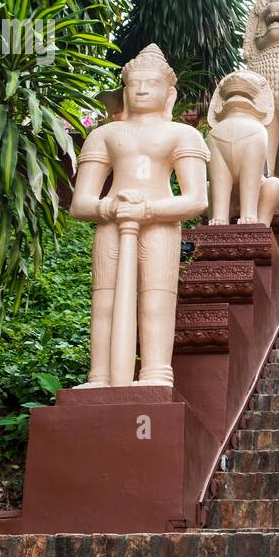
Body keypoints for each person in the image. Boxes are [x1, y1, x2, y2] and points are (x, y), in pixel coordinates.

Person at [70, 45, 209, 387]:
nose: (143, 89)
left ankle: (156, 371)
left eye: (151, 83)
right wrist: (109, 206)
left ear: (170, 93)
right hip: (113, 224)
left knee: (156, 299)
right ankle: (100, 374)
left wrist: (148, 209)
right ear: (126, 90)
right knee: (104, 300)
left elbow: (196, 199)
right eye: (135, 84)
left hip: (160, 225)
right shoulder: (104, 135)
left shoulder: (182, 134)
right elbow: (80, 203)